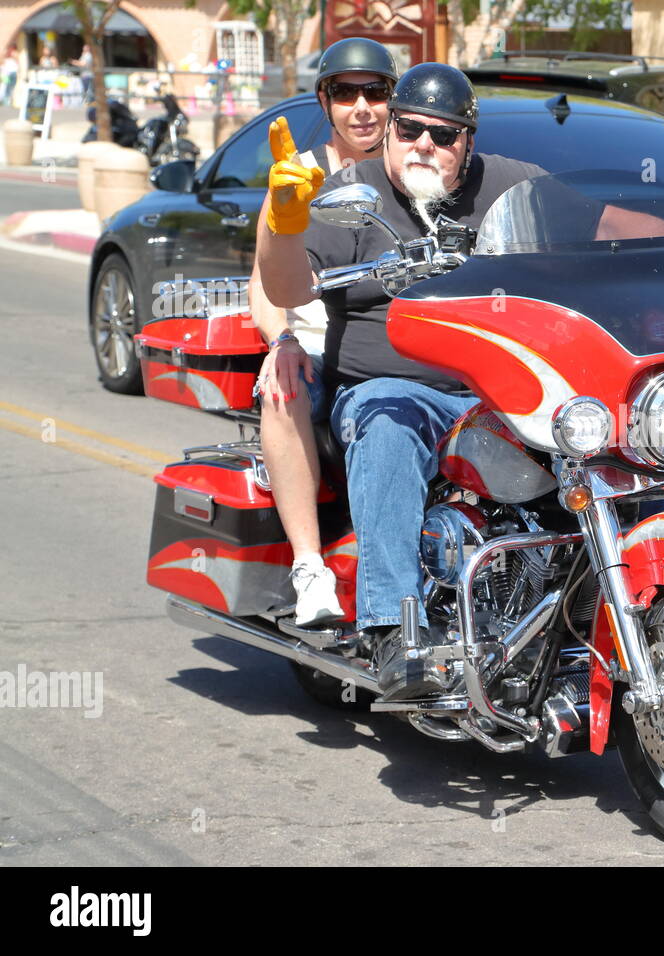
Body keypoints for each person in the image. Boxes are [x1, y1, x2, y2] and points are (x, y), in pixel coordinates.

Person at [256, 63, 545, 700]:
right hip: (390, 387)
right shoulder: (344, 196)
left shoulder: (512, 186)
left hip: (501, 390)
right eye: (410, 128)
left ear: (467, 142)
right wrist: (284, 219)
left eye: (443, 136)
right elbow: (285, 289)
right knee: (387, 419)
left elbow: (598, 227)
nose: (424, 145)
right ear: (389, 129)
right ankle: (395, 630)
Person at [248, 37, 397, 627]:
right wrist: (279, 341)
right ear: (325, 100)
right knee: (283, 388)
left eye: (376, 92)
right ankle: (311, 569)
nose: (362, 107)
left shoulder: (413, 164)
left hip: (402, 338)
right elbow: (262, 281)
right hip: (315, 342)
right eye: (345, 93)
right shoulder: (297, 176)